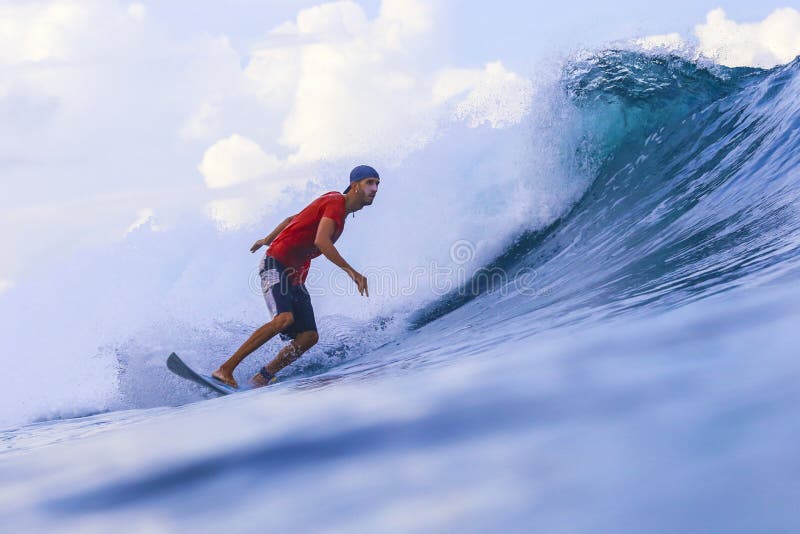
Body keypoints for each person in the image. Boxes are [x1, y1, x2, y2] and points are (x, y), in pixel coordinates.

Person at [212, 165, 380, 389]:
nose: (375, 188)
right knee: (284, 319)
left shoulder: (337, 210)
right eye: (370, 182)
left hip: (295, 275)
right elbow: (322, 242)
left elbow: (293, 218)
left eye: (377, 184)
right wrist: (352, 272)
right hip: (276, 264)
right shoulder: (335, 203)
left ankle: (262, 377)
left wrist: (267, 238)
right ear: (354, 185)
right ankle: (225, 369)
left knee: (309, 336)